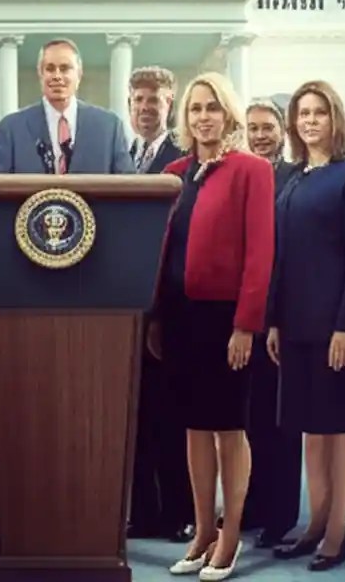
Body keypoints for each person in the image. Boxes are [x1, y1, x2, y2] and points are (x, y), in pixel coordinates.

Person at [148, 72, 274, 581]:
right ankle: (201, 533)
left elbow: (261, 253)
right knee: (194, 429)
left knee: (228, 428)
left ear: (229, 115)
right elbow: (164, 249)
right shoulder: (176, 172)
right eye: (196, 108)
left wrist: (246, 325)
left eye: (213, 108)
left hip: (226, 319)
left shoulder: (252, 170)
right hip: (179, 316)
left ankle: (230, 535)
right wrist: (156, 315)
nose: (203, 117)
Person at [268, 80, 345, 572]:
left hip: (335, 325)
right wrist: (272, 321)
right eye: (302, 113)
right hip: (294, 326)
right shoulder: (291, 178)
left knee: (339, 428)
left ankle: (337, 530)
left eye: (318, 112)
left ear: (335, 119)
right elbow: (280, 257)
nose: (309, 121)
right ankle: (314, 521)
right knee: (310, 428)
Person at [126, 66, 194, 544]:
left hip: (165, 309)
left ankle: (178, 514)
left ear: (169, 105)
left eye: (156, 100)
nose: (147, 107)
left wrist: (161, 313)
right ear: (129, 105)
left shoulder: (183, 160)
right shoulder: (117, 156)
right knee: (131, 417)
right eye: (140, 99)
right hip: (119, 308)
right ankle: (141, 513)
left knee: (169, 415)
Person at [237, 99, 302, 549]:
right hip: (245, 310)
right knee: (251, 419)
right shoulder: (242, 172)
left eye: (267, 127)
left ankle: (281, 514)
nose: (260, 135)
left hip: (283, 312)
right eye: (252, 128)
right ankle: (254, 505)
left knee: (281, 421)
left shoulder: (294, 177)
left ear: (282, 129)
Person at [0, 38, 134, 174]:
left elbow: (128, 188)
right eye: (50, 69)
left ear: (79, 74)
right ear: (40, 74)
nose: (57, 76)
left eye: (65, 68)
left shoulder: (109, 127)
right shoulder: (11, 128)